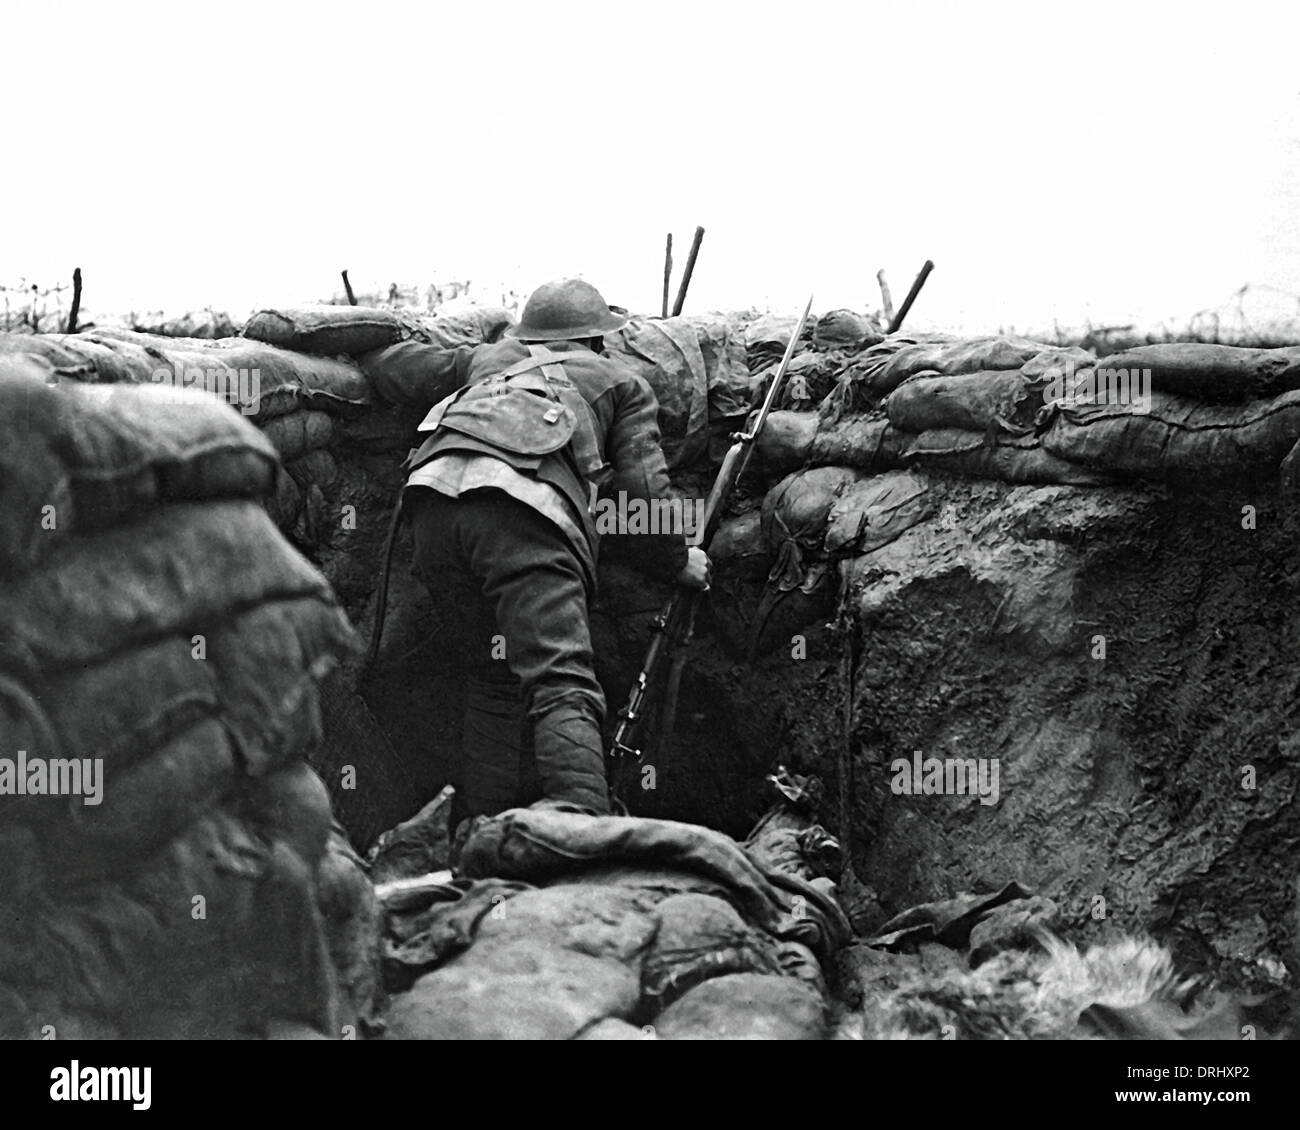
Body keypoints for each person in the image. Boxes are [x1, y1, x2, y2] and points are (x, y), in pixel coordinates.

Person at [400, 278, 711, 819]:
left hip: (430, 507)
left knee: (493, 675)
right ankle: (584, 840)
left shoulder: (485, 358)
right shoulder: (621, 381)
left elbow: (396, 366)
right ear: (596, 339)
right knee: (561, 682)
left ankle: (483, 837)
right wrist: (677, 560)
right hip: (522, 516)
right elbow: (642, 493)